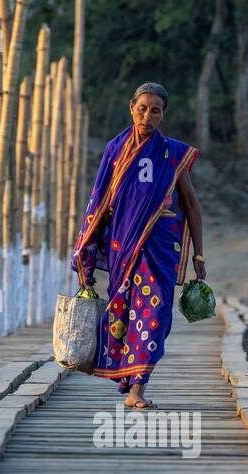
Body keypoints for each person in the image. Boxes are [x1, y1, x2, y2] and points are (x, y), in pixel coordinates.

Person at [71, 82, 206, 409]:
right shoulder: (115, 151)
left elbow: (190, 204)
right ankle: (129, 381)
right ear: (131, 108)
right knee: (125, 314)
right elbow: (99, 203)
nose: (147, 115)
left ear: (163, 114)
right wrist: (85, 252)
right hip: (123, 247)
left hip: (160, 249)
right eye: (142, 108)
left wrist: (199, 255)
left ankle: (137, 389)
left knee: (155, 314)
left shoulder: (173, 153)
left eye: (155, 110)